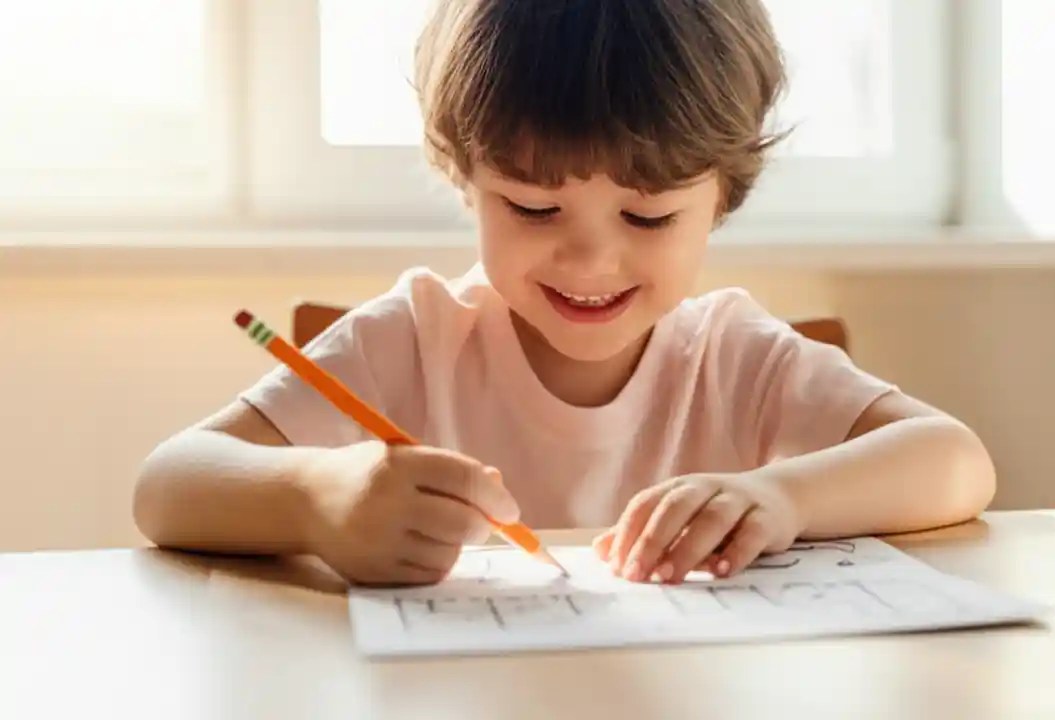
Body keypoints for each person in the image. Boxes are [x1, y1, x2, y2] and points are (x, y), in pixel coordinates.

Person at [134, 0, 996, 587]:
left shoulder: (737, 356)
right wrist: (319, 500)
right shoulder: (411, 340)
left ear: (721, 198)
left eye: (649, 215)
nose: (589, 259)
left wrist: (785, 497)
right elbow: (167, 483)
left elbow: (956, 460)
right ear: (465, 178)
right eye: (534, 206)